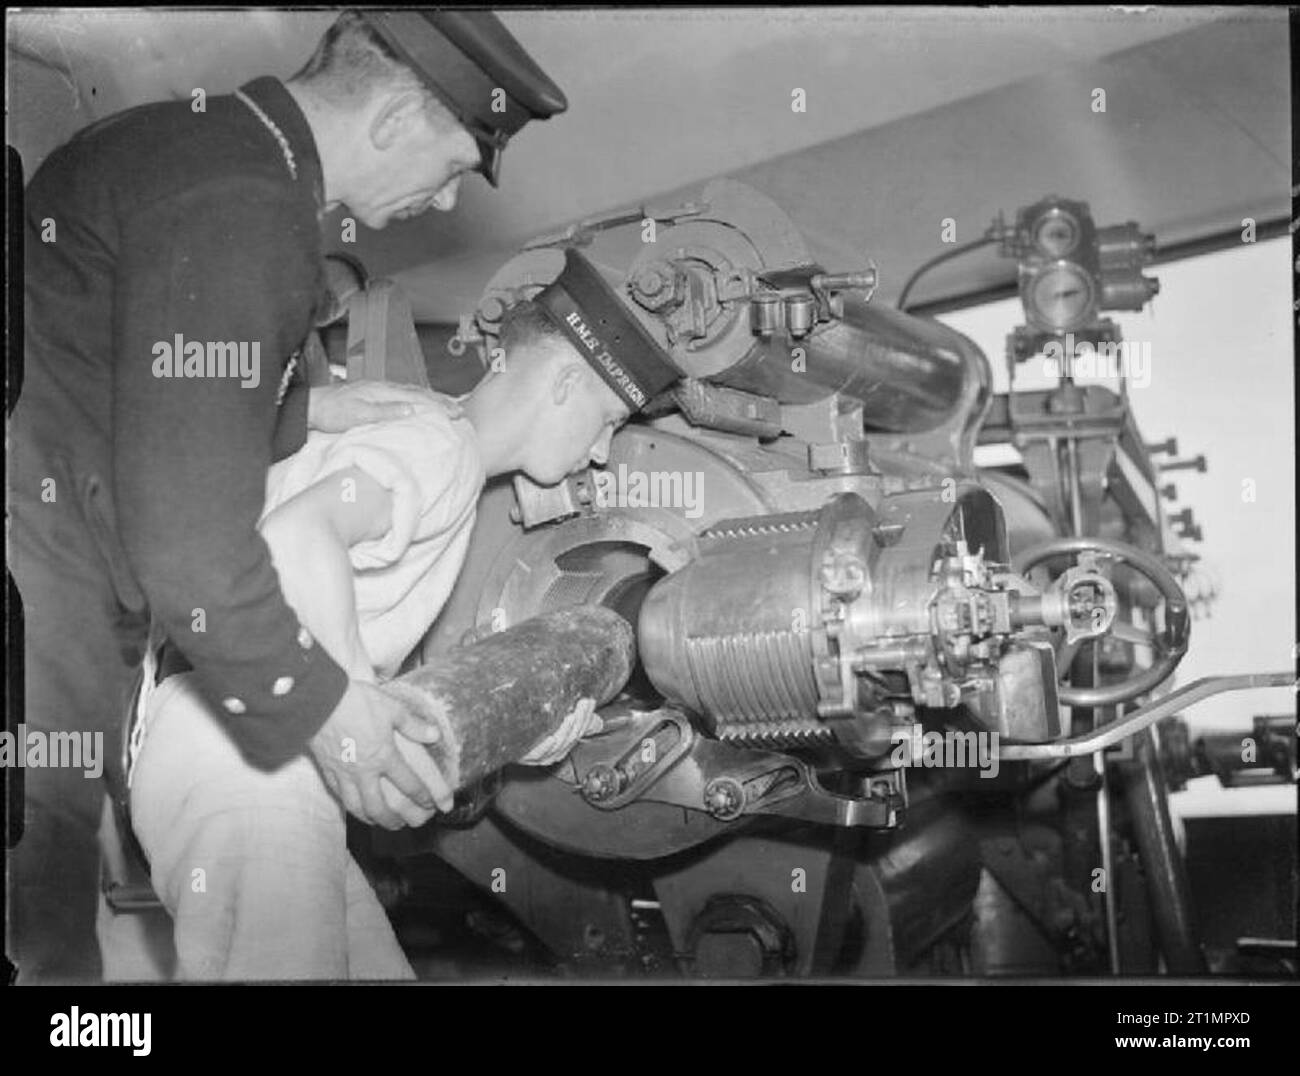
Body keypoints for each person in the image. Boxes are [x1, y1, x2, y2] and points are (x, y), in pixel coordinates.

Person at [6, 10, 566, 983]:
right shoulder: (245, 200)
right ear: (392, 115)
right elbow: (191, 551)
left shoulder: (186, 145)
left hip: (52, 549)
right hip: (35, 572)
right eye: (449, 167)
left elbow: (119, 376)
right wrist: (328, 709)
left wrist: (318, 406)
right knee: (35, 926)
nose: (441, 202)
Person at [128, 249, 683, 980]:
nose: (604, 450)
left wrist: (523, 721)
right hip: (239, 751)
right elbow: (295, 538)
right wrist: (355, 719)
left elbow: (379, 644)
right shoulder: (437, 449)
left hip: (256, 744)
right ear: (565, 382)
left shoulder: (432, 438)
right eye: (608, 419)